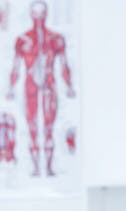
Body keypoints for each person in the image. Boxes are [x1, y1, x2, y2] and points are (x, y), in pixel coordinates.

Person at [7, 0, 76, 176]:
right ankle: (36, 167)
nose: (39, 18)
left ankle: (49, 167)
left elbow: (64, 64)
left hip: (49, 86)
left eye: (42, 14)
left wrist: (69, 85)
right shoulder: (23, 40)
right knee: (32, 127)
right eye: (35, 14)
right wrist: (11, 88)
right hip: (30, 86)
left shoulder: (56, 39)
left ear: (46, 15)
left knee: (48, 128)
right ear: (31, 15)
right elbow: (16, 66)